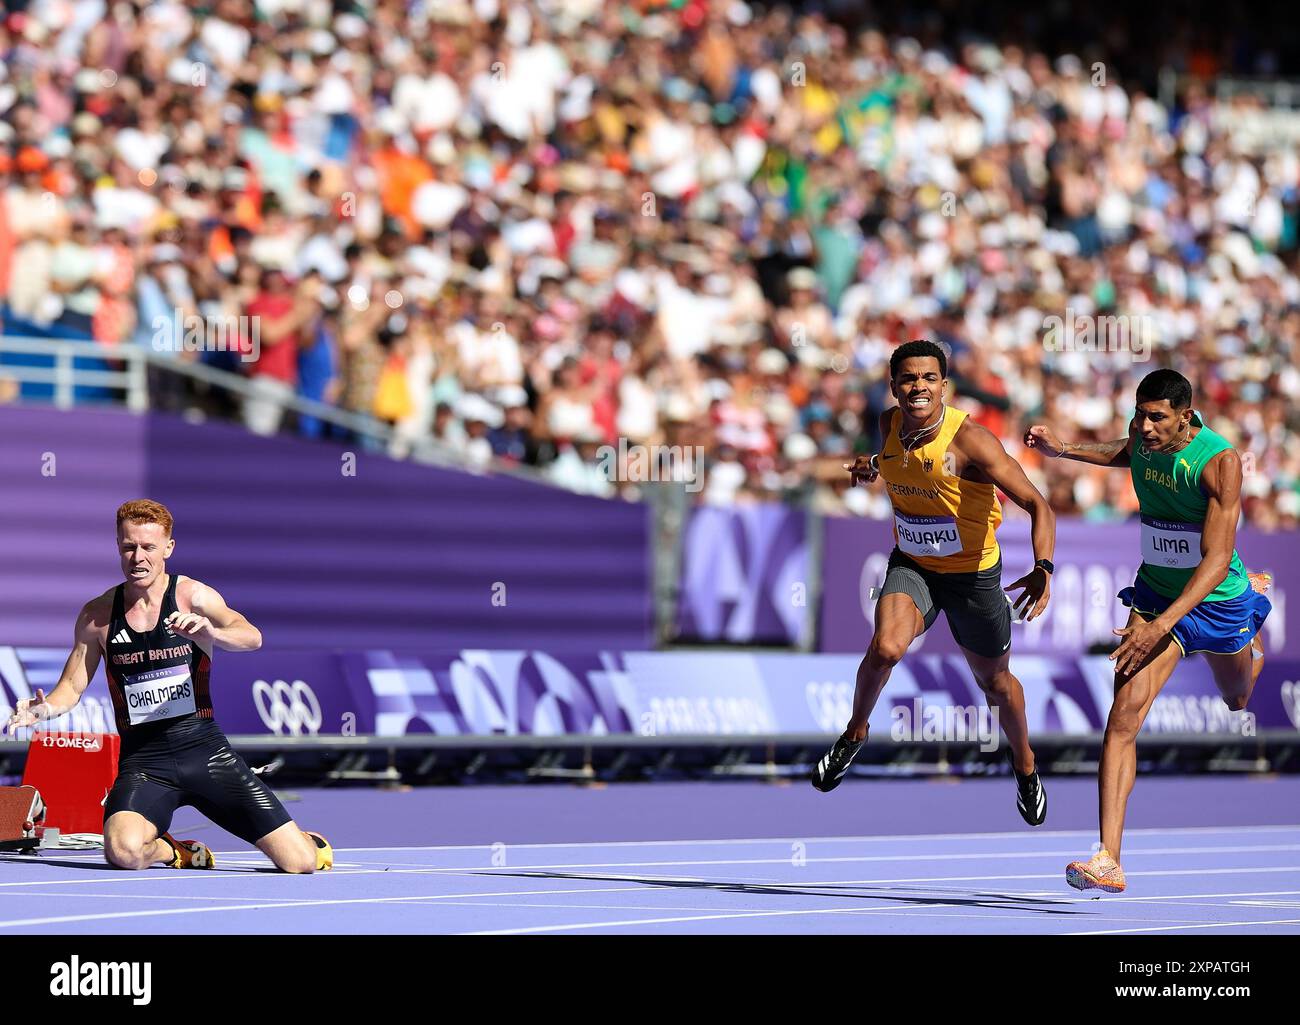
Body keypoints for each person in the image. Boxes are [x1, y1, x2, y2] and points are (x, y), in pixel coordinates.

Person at [1026, 369, 1272, 893]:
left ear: (1187, 416)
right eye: (1139, 414)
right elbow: (1125, 450)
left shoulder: (1219, 462)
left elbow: (1215, 558)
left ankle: (1252, 630)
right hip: (1156, 591)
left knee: (1238, 698)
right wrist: (1064, 449)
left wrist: (1161, 625)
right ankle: (1109, 858)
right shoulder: (1143, 437)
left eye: (1157, 417)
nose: (1144, 425)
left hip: (1216, 597)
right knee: (1123, 718)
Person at [4, 500, 333, 873]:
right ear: (117, 545)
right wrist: (44, 709)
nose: (138, 558)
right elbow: (72, 687)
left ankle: (306, 841)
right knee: (122, 851)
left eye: (148, 548)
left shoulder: (193, 596)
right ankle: (173, 851)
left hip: (207, 754)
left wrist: (213, 632)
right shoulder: (96, 615)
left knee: (300, 864)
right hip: (145, 763)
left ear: (168, 549)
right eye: (129, 547)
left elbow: (252, 637)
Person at [813, 340, 1056, 826]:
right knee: (884, 648)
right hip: (914, 565)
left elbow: (1038, 505)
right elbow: (890, 460)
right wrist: (870, 467)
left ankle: (1025, 765)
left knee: (996, 684)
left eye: (928, 379)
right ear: (894, 386)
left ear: (944, 386)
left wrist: (1043, 567)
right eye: (908, 379)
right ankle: (855, 733)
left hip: (974, 577)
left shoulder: (972, 441)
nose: (918, 387)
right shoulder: (888, 424)